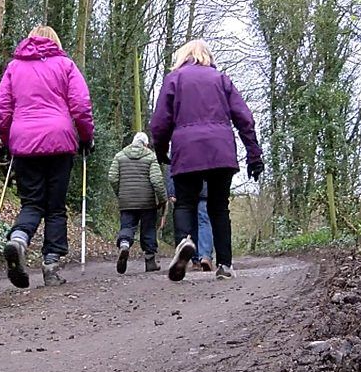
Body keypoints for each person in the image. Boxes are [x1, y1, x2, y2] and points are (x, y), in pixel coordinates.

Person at [149, 39, 263, 282]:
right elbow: (244, 118)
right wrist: (254, 154)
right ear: (207, 57)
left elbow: (160, 121)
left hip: (187, 149)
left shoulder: (174, 79)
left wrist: (160, 150)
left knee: (185, 204)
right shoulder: (221, 79)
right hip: (221, 149)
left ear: (183, 57)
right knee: (219, 207)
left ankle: (185, 242)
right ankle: (224, 264)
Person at [0, 25, 94, 288]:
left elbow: (2, 107)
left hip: (24, 142)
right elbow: (81, 105)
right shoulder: (65, 65)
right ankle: (51, 263)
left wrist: (8, 140)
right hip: (60, 141)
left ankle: (18, 239)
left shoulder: (15, 67)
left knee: (32, 203)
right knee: (55, 207)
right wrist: (86, 137)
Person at [109, 132, 167, 274]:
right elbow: (156, 181)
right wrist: (162, 199)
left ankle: (124, 245)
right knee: (148, 230)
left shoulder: (120, 155)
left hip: (126, 200)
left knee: (127, 226)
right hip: (147, 202)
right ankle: (150, 261)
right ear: (146, 144)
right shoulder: (150, 156)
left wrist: (120, 193)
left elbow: (112, 177)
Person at [166, 175, 214, 271]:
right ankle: (205, 257)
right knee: (204, 222)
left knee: (191, 223)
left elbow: (171, 167)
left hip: (186, 188)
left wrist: (171, 191)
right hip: (205, 189)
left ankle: (196, 260)